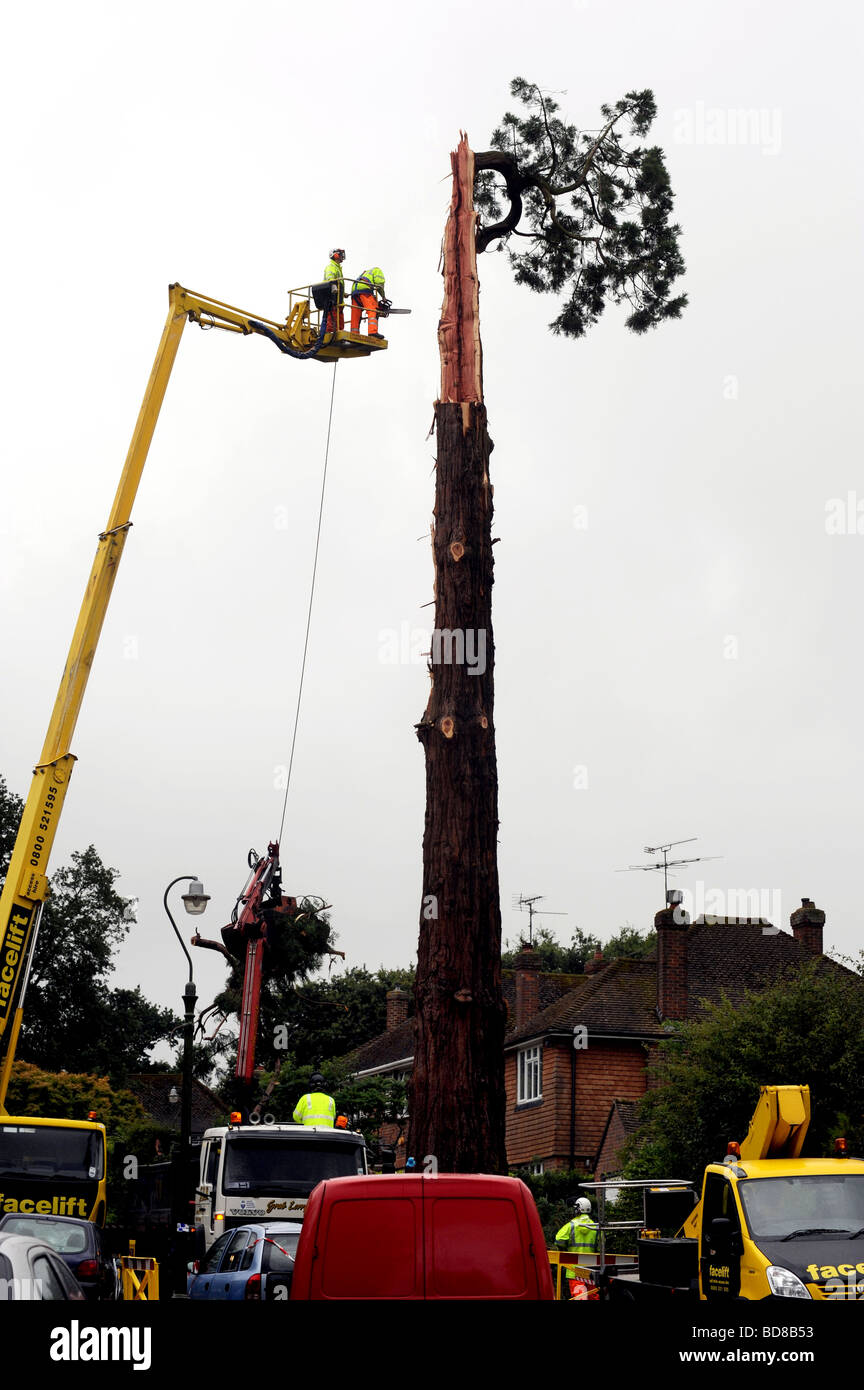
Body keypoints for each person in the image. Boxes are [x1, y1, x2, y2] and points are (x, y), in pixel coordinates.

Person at [555, 1197, 599, 1300]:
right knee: (593, 1297)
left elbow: (558, 1240)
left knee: (580, 1297)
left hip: (574, 1270)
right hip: (591, 1270)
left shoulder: (571, 1225)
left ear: (577, 1209)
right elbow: (601, 1247)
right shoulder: (596, 1227)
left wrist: (564, 1248)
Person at [350, 266, 389, 338]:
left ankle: (354, 334)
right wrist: (383, 297)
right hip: (364, 289)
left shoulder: (365, 273)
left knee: (355, 314)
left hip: (354, 291)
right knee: (373, 310)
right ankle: (372, 332)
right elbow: (379, 285)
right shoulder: (377, 270)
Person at [324, 248, 345, 332]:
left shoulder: (337, 267)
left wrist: (343, 293)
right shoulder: (331, 266)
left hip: (338, 298)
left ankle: (338, 331)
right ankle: (330, 332)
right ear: (335, 255)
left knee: (338, 315)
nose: (342, 256)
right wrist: (333, 286)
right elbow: (330, 277)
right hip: (332, 296)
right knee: (332, 314)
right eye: (340, 254)